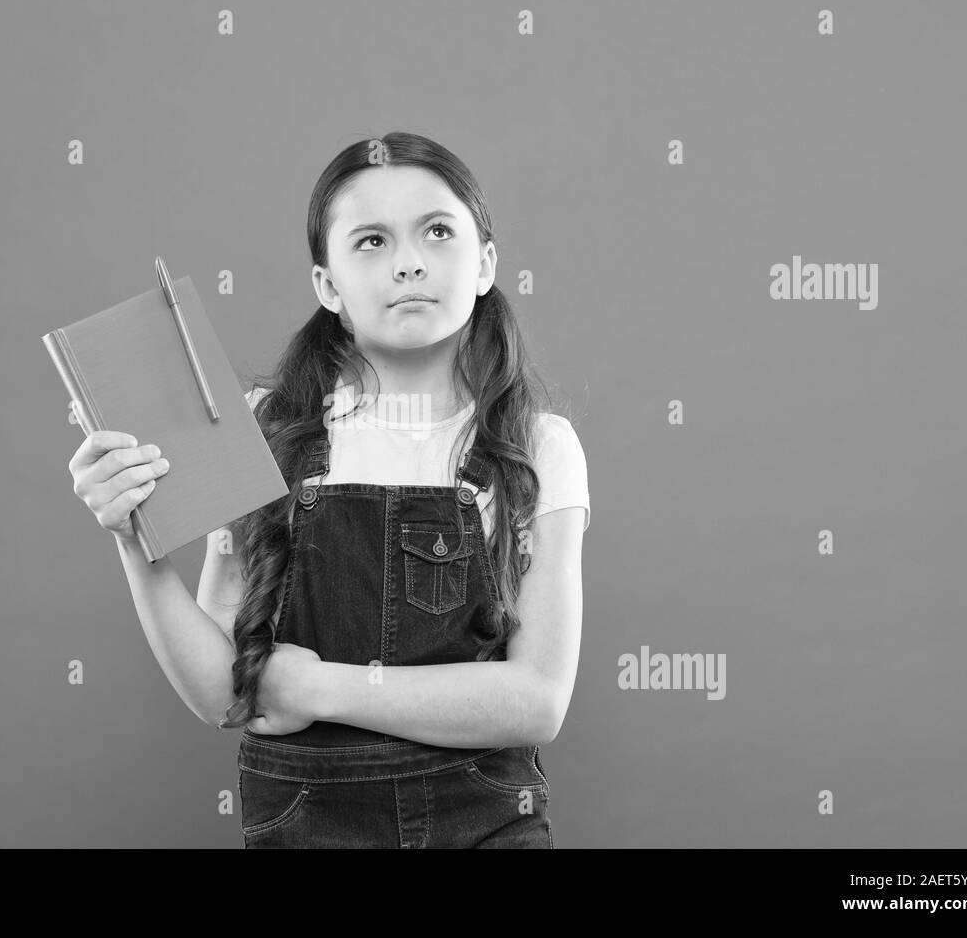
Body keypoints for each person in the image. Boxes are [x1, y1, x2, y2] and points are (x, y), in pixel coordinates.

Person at [67, 131, 589, 848]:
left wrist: (319, 689)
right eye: (371, 241)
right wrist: (135, 541)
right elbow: (228, 692)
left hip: (487, 826)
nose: (408, 262)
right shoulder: (263, 430)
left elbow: (536, 701)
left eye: (437, 231)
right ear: (327, 285)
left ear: (485, 264)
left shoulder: (535, 446)